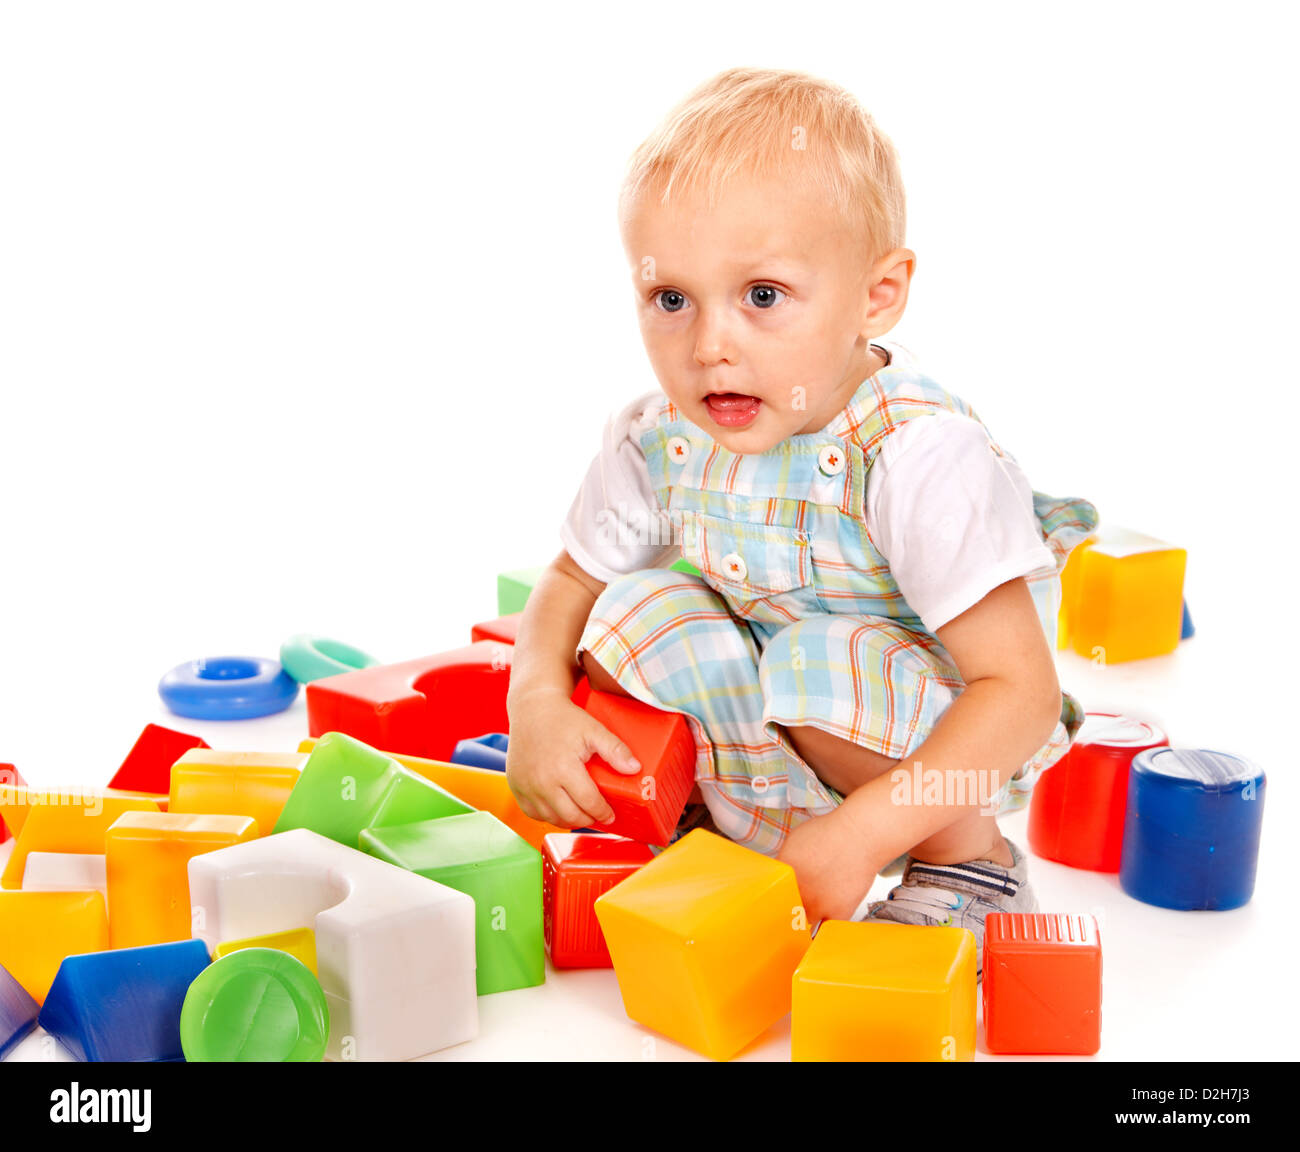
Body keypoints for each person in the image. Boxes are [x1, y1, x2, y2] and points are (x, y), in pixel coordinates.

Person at [504, 66, 1097, 958]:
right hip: (778, 720)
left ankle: (969, 863)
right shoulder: (662, 437)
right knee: (631, 610)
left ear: (876, 296)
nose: (710, 346)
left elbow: (1020, 694)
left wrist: (863, 835)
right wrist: (535, 703)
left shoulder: (913, 457)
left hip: (936, 744)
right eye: (672, 300)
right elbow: (571, 579)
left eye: (763, 297)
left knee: (821, 658)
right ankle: (733, 828)